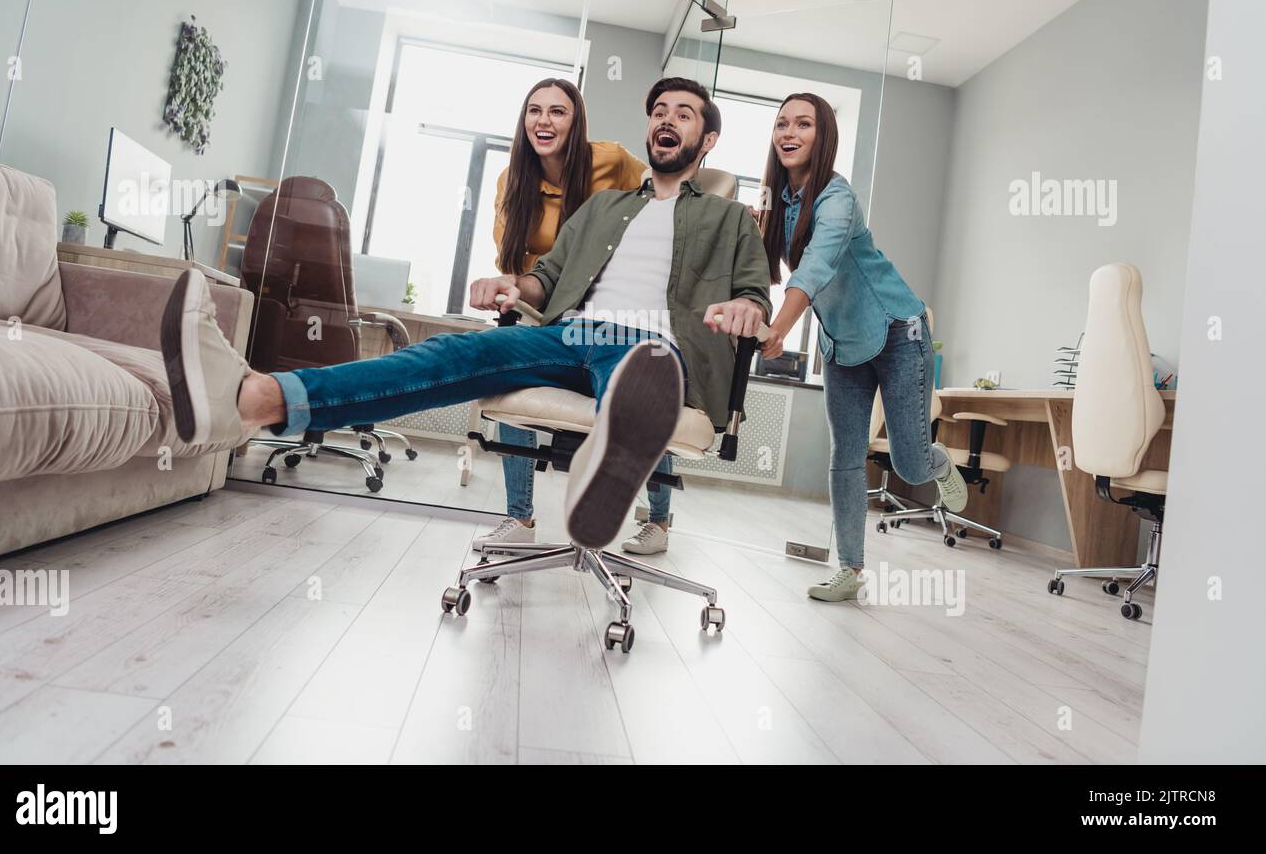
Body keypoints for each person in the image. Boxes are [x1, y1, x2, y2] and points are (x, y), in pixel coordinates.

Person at [160, 77, 770, 553]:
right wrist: (511, 285)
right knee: (449, 354)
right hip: (568, 335)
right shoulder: (605, 207)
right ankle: (260, 400)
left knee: (640, 381)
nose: (666, 121)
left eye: (683, 114)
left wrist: (745, 308)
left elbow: (755, 295)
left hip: (653, 346)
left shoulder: (730, 218)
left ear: (707, 140)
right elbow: (546, 279)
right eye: (659, 112)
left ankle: (611, 464)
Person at [755, 93, 968, 602]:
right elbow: (758, 266)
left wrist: (780, 329)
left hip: (899, 333)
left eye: (803, 124)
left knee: (908, 464)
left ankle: (938, 463)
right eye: (782, 123)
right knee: (846, 457)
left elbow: (815, 267)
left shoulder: (837, 198)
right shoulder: (775, 199)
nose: (789, 132)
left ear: (823, 134)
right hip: (842, 344)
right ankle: (851, 570)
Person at [486, 77, 676, 556]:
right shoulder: (512, 180)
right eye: (534, 111)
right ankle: (519, 515)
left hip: (613, 307)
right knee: (512, 370)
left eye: (557, 112)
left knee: (650, 380)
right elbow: (514, 265)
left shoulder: (610, 160)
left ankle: (658, 520)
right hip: (547, 309)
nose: (543, 121)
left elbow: (665, 190)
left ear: (576, 122)